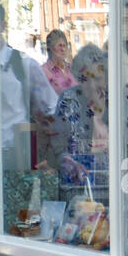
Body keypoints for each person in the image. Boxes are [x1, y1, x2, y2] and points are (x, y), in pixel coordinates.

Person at [0, 4, 57, 169]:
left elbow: (52, 109)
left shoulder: (23, 65)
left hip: (17, 158)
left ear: (2, 26)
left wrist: (55, 156)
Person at [51, 44, 109, 195]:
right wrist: (67, 161)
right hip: (77, 190)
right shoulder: (69, 99)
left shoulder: (115, 103)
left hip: (112, 189)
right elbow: (56, 147)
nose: (91, 85)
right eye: (85, 79)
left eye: (97, 78)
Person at [42, 29, 75, 94]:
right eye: (59, 45)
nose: (63, 49)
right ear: (50, 48)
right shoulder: (43, 72)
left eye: (64, 45)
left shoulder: (72, 68)